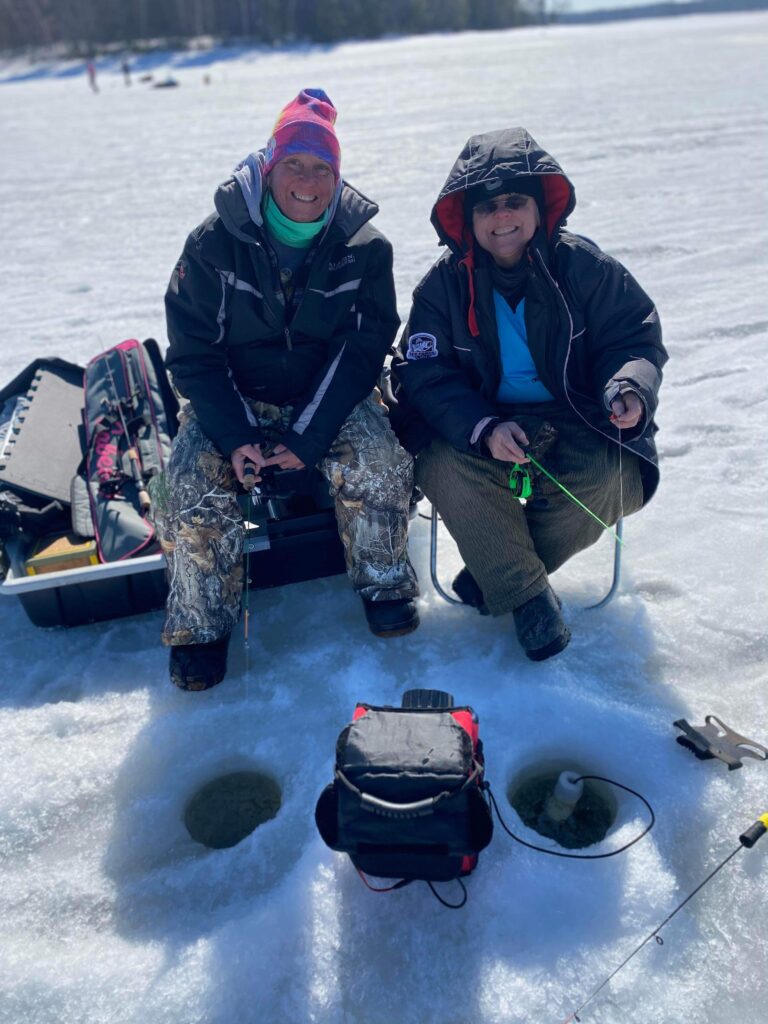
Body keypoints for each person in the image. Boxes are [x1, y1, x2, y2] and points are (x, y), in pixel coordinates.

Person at [151, 88, 419, 691]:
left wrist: (308, 435)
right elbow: (193, 355)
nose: (307, 180)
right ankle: (200, 624)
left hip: (327, 398)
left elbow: (360, 353)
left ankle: (383, 580)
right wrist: (238, 435)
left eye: (321, 167)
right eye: (293, 164)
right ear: (268, 168)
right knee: (187, 483)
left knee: (382, 462)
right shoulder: (212, 245)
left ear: (336, 175)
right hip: (235, 399)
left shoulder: (366, 250)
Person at [392, 127, 666, 661]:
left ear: (541, 207)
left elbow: (633, 336)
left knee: (613, 478)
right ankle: (528, 598)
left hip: (580, 417)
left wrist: (628, 385)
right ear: (467, 220)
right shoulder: (442, 286)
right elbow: (424, 373)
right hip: (482, 421)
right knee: (443, 465)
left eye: (515, 200)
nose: (502, 216)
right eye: (487, 206)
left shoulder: (586, 267)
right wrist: (484, 427)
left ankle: (496, 573)